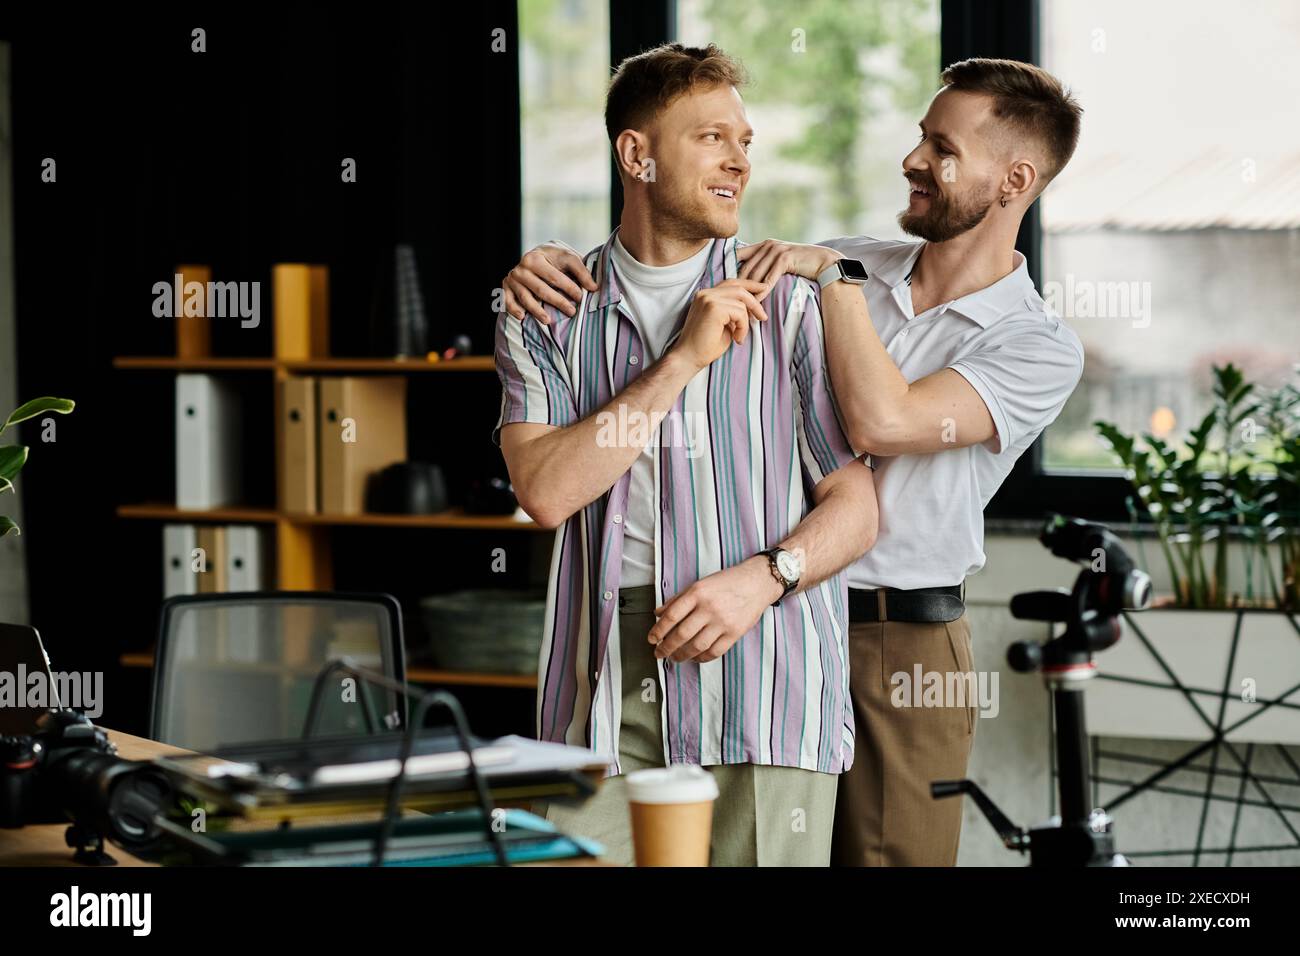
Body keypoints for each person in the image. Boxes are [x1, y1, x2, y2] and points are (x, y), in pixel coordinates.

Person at [501, 57, 1086, 866]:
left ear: (1014, 179)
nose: (913, 159)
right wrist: (536, 269)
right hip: (757, 618)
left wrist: (834, 282)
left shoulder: (1024, 339)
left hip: (893, 631)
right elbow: (683, 237)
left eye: (940, 147)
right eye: (919, 136)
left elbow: (882, 422)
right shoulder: (818, 268)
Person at [492, 43, 879, 867]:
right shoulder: (546, 313)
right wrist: (683, 360)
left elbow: (856, 506)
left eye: (744, 141)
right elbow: (548, 492)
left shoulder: (797, 308)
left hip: (766, 667)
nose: (738, 159)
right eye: (710, 137)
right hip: (601, 678)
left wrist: (763, 579)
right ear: (637, 154)